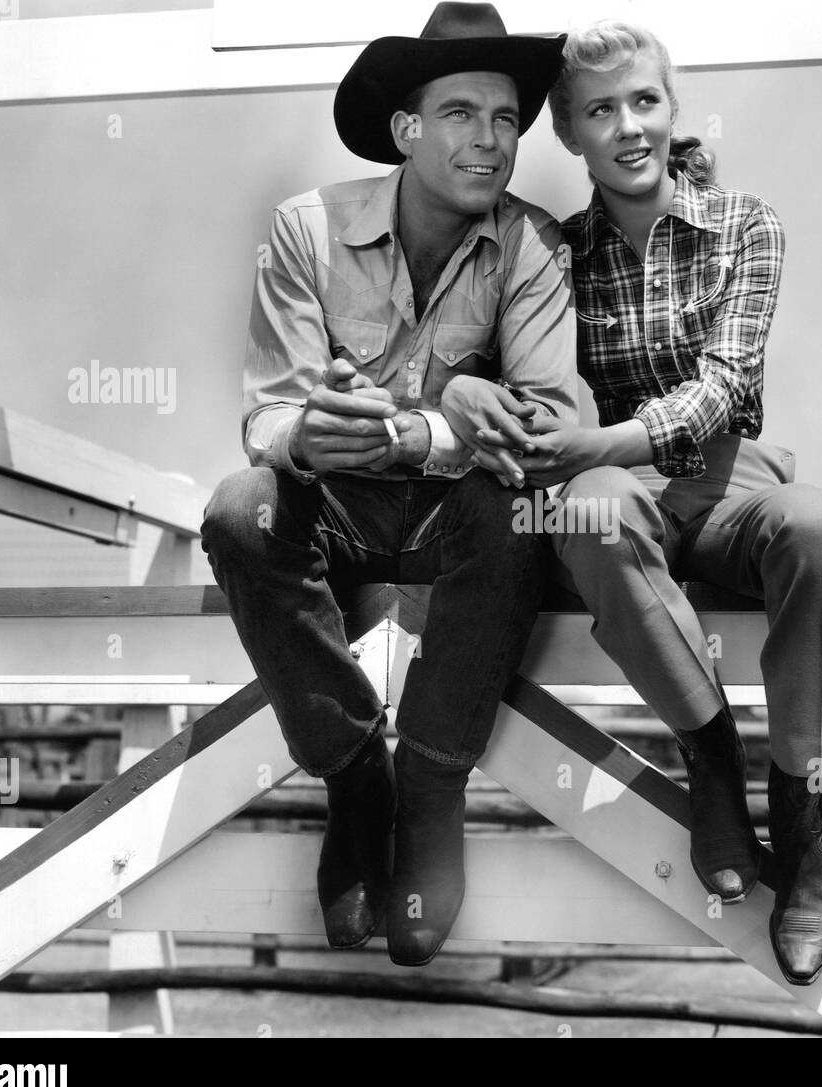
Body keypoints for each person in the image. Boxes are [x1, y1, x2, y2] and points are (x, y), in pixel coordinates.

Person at [478, 20, 822, 985]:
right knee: (591, 508)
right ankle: (714, 760)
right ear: (569, 132)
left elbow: (724, 387)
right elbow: (529, 391)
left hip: (731, 482)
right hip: (624, 503)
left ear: (672, 106)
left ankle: (809, 830)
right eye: (601, 110)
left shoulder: (748, 223)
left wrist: (598, 440)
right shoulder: (553, 255)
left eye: (644, 101)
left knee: (815, 523)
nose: (628, 127)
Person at [199, 2, 575, 968]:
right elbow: (267, 419)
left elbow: (540, 424)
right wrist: (314, 439)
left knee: (518, 502)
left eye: (504, 118)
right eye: (460, 113)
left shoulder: (534, 246)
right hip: (340, 516)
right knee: (238, 510)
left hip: (458, 522)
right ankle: (355, 770)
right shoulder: (305, 228)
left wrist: (412, 432)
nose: (490, 141)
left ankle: (433, 782)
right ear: (407, 130)